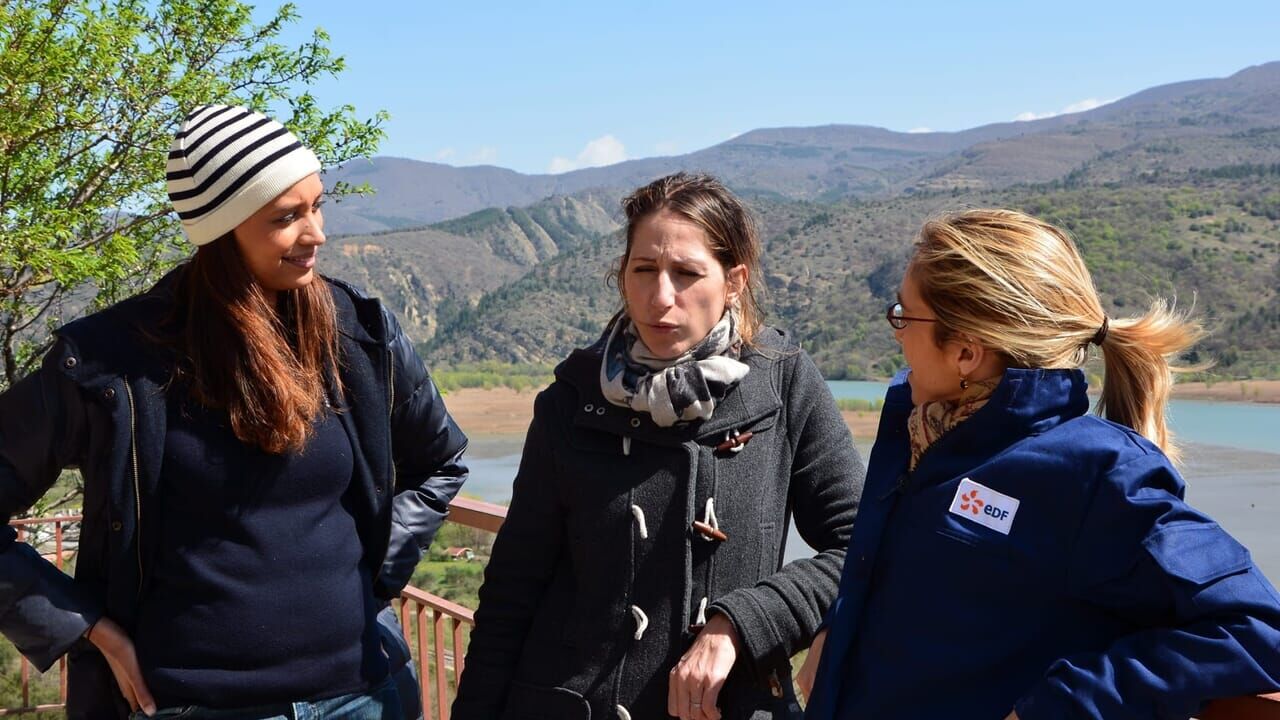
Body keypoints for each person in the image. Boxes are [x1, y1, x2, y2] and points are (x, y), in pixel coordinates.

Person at [0, 105, 469, 719]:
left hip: (363, 696)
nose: (316, 234)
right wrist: (87, 626)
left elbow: (439, 461)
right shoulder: (108, 363)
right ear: (221, 233)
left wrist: (374, 578)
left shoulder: (358, 332)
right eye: (286, 217)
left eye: (317, 206)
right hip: (193, 704)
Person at [799, 208, 1280, 720]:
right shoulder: (919, 433)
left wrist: (1058, 706)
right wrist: (838, 631)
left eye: (905, 315)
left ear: (966, 351)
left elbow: (1256, 630)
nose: (896, 332)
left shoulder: (1095, 472)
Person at [451, 172, 865, 720]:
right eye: (644, 269)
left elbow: (860, 543)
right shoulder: (571, 400)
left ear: (734, 281)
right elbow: (512, 590)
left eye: (687, 273)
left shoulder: (782, 382)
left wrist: (743, 622)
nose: (661, 297)